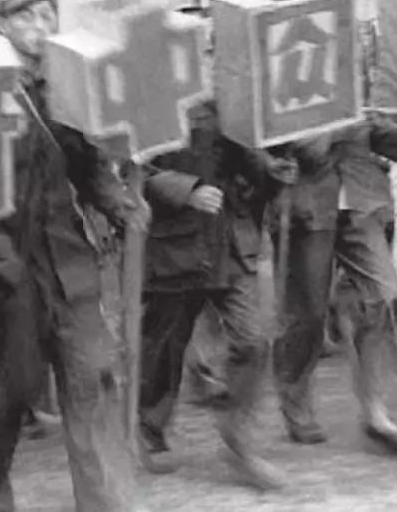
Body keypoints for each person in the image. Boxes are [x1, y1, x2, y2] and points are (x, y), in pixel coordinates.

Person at [0, 0, 143, 512]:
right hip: (2, 265)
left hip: (68, 258)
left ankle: (107, 502)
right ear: (1, 25)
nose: (39, 25)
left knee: (93, 374)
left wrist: (118, 202)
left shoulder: (67, 84)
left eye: (46, 14)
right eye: (25, 16)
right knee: (13, 385)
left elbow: (87, 162)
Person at [138, 85, 295, 490]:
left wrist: (273, 169)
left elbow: (253, 165)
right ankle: (150, 426)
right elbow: (130, 171)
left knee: (253, 340)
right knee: (164, 345)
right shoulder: (147, 97)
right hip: (175, 246)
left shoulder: (234, 101)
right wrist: (184, 190)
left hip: (230, 241)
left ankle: (238, 437)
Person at [271, 115, 397, 457]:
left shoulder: (358, 69)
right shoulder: (290, 67)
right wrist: (343, 120)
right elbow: (305, 149)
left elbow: (396, 149)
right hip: (308, 204)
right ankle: (294, 395)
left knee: (382, 296)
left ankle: (375, 410)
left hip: (362, 200)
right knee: (308, 312)